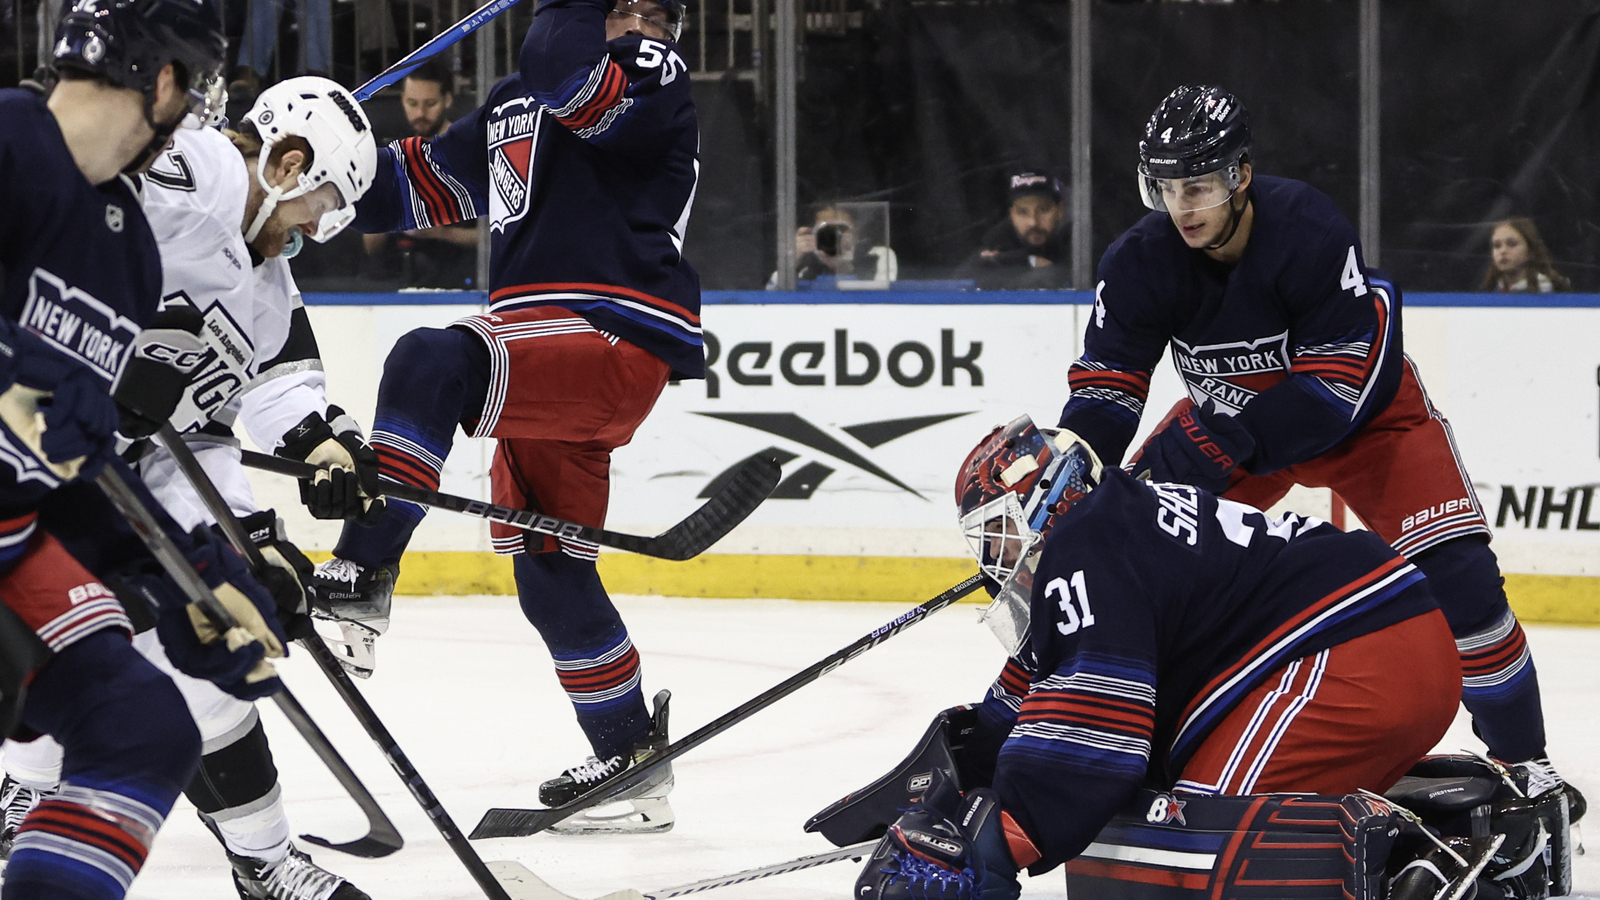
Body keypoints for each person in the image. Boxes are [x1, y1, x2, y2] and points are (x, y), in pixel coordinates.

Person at [1056, 85, 1583, 810]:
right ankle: (1134, 745)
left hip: (1371, 428)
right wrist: (1076, 460)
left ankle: (1528, 764)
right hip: (1236, 432)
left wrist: (1219, 439)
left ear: (1240, 175)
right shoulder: (1141, 259)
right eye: (1166, 187)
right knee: (1131, 563)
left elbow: (1339, 387)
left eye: (1200, 185)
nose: (1183, 207)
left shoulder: (1306, 225)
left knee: (1464, 586)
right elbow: (1110, 381)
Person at [303, 0, 697, 835]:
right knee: (549, 567)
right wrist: (300, 165)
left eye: (646, 11)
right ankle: (629, 753)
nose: (637, 21)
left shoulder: (653, 74)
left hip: (608, 334)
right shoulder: (520, 98)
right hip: (539, 355)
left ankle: (364, 573)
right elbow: (406, 187)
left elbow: (565, 64)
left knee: (427, 357)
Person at [2, 76, 379, 900]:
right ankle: (29, 788)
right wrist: (100, 371)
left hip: (84, 487)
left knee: (199, 660)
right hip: (25, 466)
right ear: (287, 160)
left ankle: (263, 859)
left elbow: (196, 434)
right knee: (106, 667)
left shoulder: (268, 300)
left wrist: (247, 538)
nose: (319, 229)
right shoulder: (192, 173)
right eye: (324, 203)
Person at [854, 416, 1462, 900]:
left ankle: (1412, 871)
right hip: (1390, 647)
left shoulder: (1083, 547)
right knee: (1160, 825)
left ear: (1043, 503)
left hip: (1351, 658)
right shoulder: (1116, 521)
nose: (994, 556)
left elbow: (1094, 728)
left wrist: (997, 842)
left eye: (997, 531)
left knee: (1174, 848)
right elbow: (1047, 676)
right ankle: (1464, 823)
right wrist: (968, 770)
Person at [362, 60, 480, 289]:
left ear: (447, 100)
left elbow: (491, 239)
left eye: (430, 104)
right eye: (412, 103)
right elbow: (371, 247)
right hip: (395, 279)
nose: (420, 113)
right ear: (402, 99)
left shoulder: (471, 151)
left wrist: (441, 232)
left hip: (459, 281)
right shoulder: (390, 153)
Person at [954, 170, 1069, 289]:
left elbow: (1068, 278)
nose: (1033, 222)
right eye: (1023, 212)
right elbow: (961, 281)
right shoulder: (998, 240)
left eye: (1044, 210)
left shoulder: (1079, 239)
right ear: (1012, 215)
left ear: (1059, 211)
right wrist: (1028, 261)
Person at [773, 203, 897, 286]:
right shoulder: (808, 263)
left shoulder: (878, 255)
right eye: (826, 229)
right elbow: (772, 296)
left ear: (856, 231)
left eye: (841, 228)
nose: (834, 234)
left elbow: (881, 297)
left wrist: (843, 268)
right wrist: (791, 261)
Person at [1481, 216, 1571, 293]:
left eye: (1512, 244)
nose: (1503, 251)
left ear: (1530, 250)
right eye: (1497, 246)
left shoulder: (1547, 291)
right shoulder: (1490, 290)